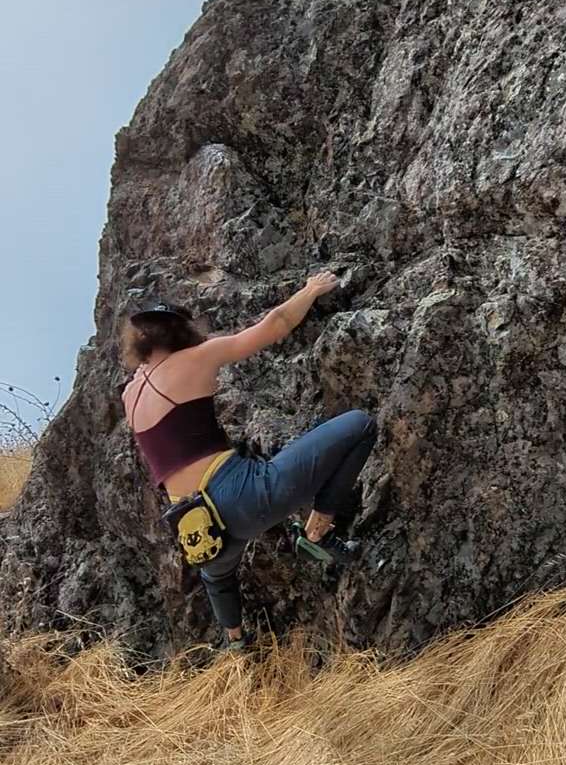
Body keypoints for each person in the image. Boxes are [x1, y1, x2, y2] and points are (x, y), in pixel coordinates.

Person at [121, 272, 377, 649]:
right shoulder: (196, 358)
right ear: (180, 331)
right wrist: (310, 290)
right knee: (360, 425)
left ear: (139, 338)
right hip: (242, 494)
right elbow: (276, 324)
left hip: (194, 523)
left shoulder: (129, 397)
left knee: (217, 576)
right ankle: (319, 532)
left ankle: (237, 641)